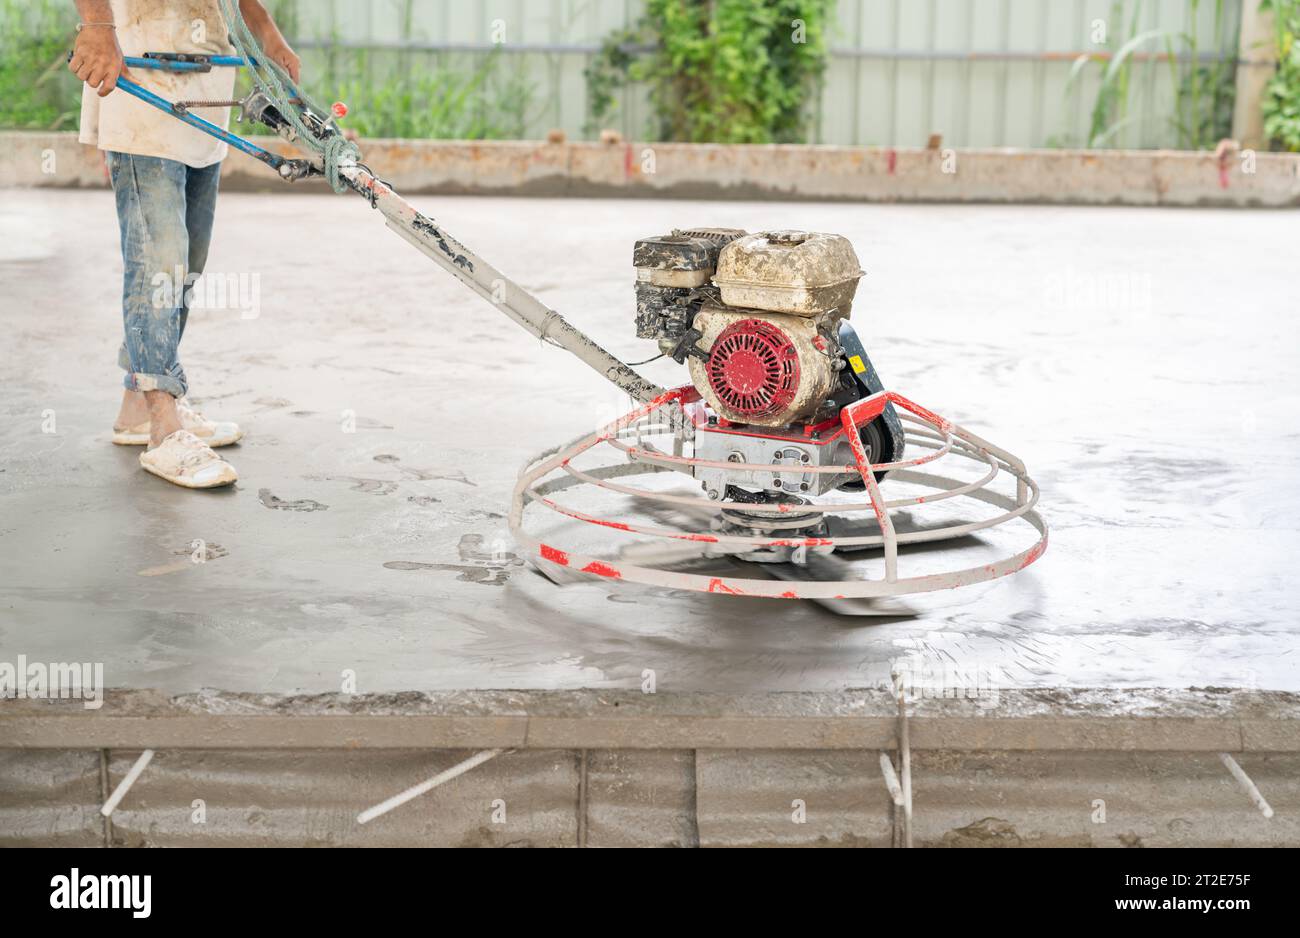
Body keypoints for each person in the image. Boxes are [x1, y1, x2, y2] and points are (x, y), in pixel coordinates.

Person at [70, 0, 300, 488]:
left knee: (190, 258)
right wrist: (95, 25)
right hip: (140, 70)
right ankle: (163, 425)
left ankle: (137, 403)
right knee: (161, 258)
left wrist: (265, 31)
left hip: (207, 82)